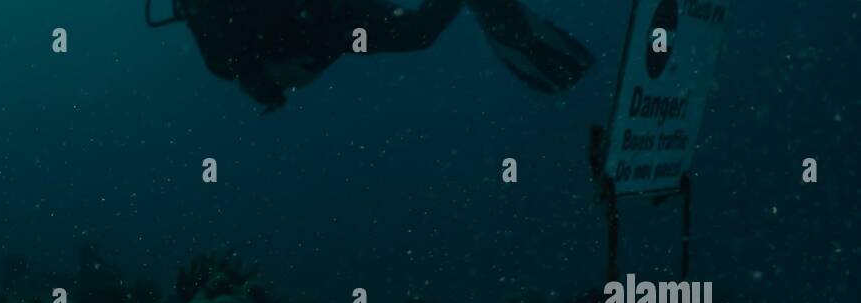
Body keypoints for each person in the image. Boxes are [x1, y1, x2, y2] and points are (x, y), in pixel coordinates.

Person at [152, 0, 595, 111]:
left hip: (317, 26)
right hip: (318, 26)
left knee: (417, 32)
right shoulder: (229, 53)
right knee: (415, 31)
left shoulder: (229, 54)